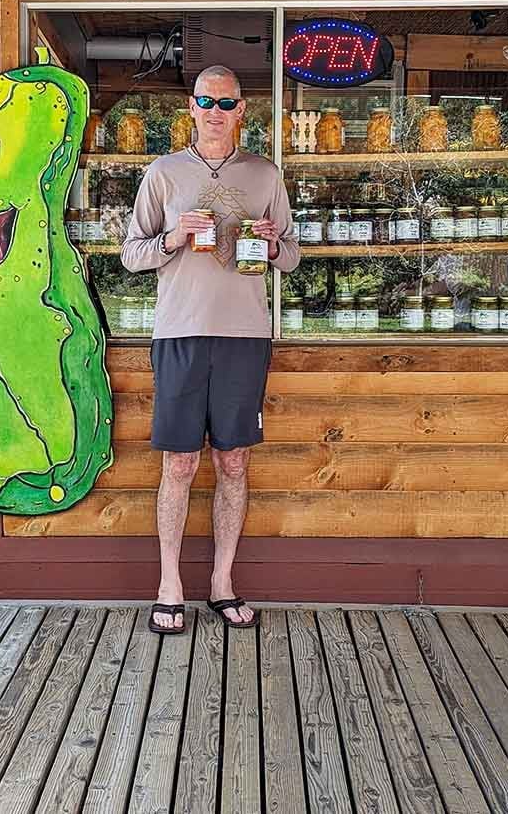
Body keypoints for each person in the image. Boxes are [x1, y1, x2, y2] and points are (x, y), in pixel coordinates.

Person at [120, 65, 299, 635]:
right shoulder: (164, 173)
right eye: (206, 101)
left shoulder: (265, 174)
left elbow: (292, 257)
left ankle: (222, 582)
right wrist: (174, 237)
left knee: (234, 460)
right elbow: (130, 254)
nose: (215, 112)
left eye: (226, 103)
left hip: (245, 336)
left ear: (241, 110)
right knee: (179, 462)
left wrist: (273, 245)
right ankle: (168, 585)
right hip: (179, 333)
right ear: (191, 108)